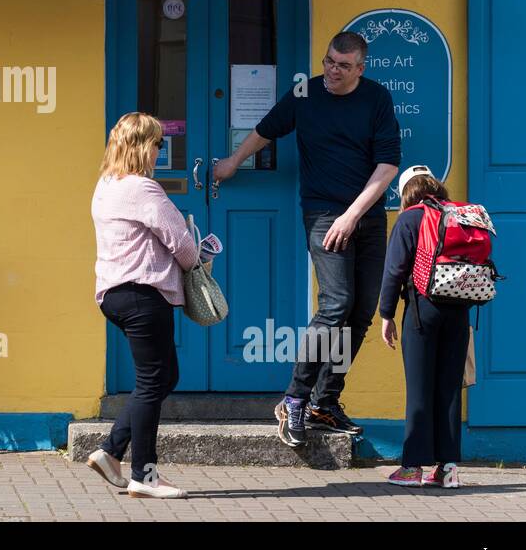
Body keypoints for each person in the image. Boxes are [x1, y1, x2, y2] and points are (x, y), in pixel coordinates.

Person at [213, 31, 400, 446]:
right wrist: (232, 162)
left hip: (365, 218)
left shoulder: (376, 99)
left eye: (343, 66)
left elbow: (387, 165)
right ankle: (295, 399)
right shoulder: (305, 93)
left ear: (360, 69)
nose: (332, 71)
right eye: (329, 61)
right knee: (336, 304)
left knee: (363, 310)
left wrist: (353, 216)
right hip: (322, 214)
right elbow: (266, 128)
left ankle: (324, 401)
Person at [88, 112, 199, 499]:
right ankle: (144, 474)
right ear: (141, 147)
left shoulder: (106, 185)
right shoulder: (142, 189)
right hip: (141, 294)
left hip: (115, 294)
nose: (159, 150)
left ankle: (110, 451)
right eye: (156, 143)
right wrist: (200, 259)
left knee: (163, 376)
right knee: (153, 380)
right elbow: (182, 244)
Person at [380, 165, 469, 489]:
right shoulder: (458, 216)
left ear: (407, 193)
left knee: (419, 389)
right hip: (459, 310)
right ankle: (447, 470)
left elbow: (394, 271)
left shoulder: (409, 218)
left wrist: (386, 314)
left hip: (423, 310)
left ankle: (412, 468)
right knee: (448, 390)